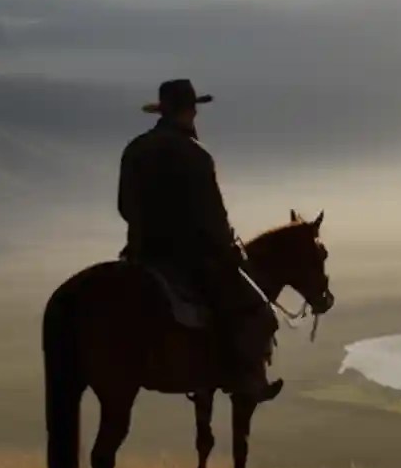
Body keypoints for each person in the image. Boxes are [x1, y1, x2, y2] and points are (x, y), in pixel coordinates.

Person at [117, 79, 283, 403]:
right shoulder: (196, 155)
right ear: (191, 111)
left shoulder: (135, 149)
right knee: (257, 312)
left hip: (142, 253)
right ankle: (245, 378)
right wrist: (230, 249)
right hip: (191, 257)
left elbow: (125, 206)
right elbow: (213, 216)